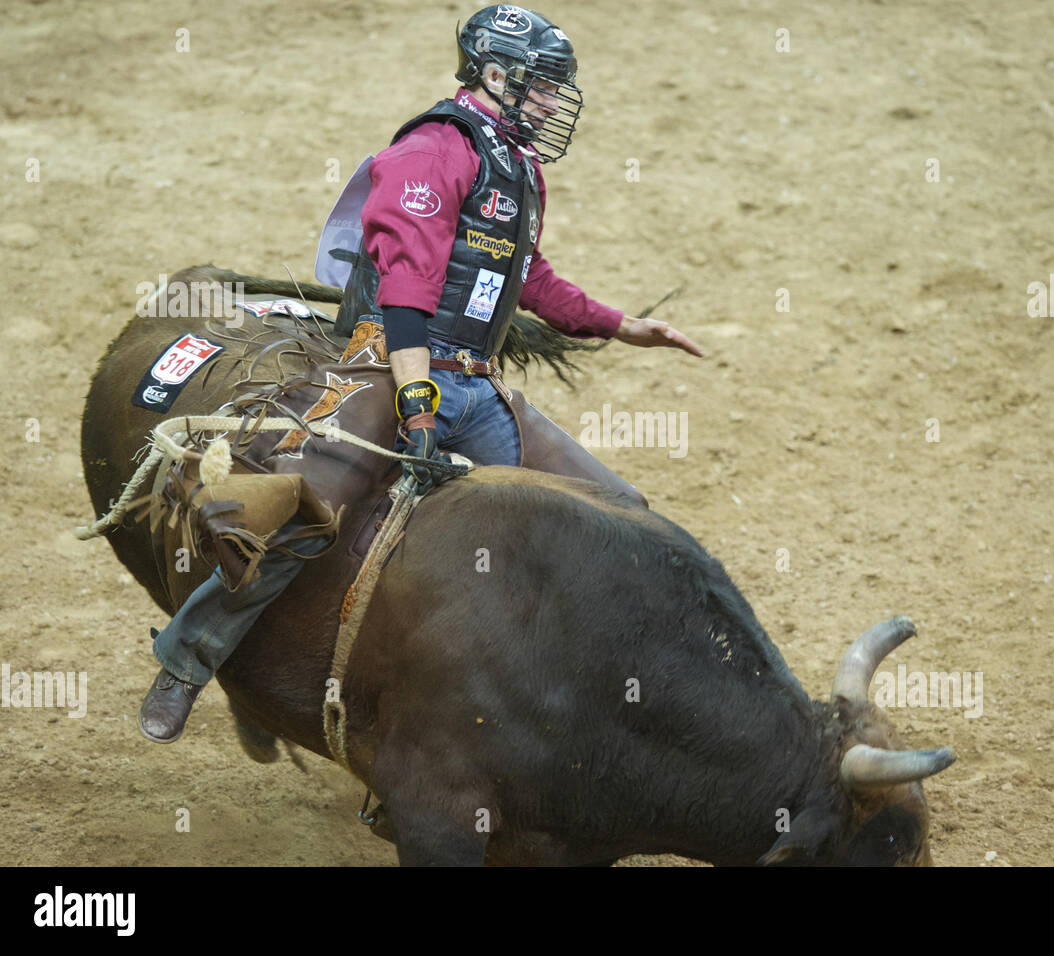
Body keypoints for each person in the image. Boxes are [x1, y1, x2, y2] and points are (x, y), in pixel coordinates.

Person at [138, 4, 701, 744]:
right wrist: (418, 404)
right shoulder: (434, 151)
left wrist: (619, 324)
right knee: (304, 515)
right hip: (387, 365)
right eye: (540, 86)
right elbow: (405, 294)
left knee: (617, 512)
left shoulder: (519, 165)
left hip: (477, 380)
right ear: (495, 75)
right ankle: (187, 658)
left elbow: (527, 275)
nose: (551, 101)